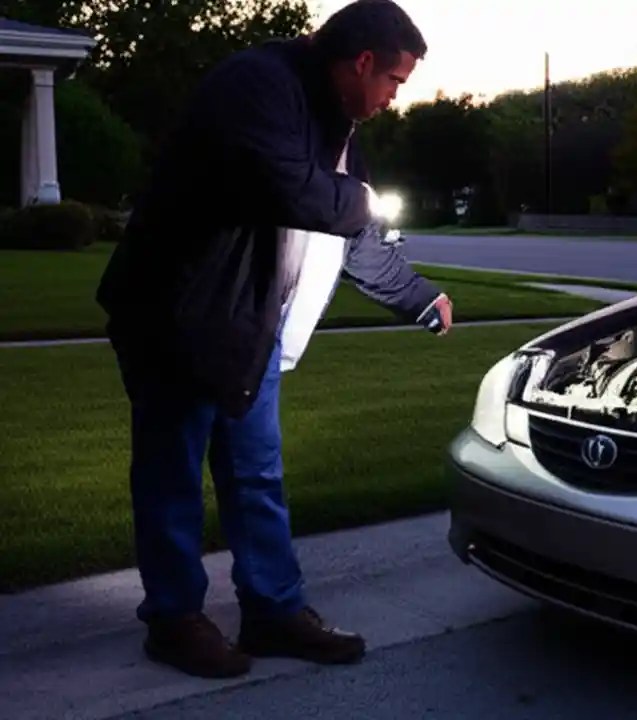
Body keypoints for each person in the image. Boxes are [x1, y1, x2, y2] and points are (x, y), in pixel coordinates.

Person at [95, 0, 451, 679]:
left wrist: (417, 295)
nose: (393, 99)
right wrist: (362, 200)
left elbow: (351, 229)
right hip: (176, 317)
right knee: (171, 476)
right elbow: (293, 190)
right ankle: (174, 621)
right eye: (395, 83)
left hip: (248, 327)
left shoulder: (338, 121)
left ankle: (273, 611)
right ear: (363, 61)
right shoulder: (255, 85)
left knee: (256, 474)